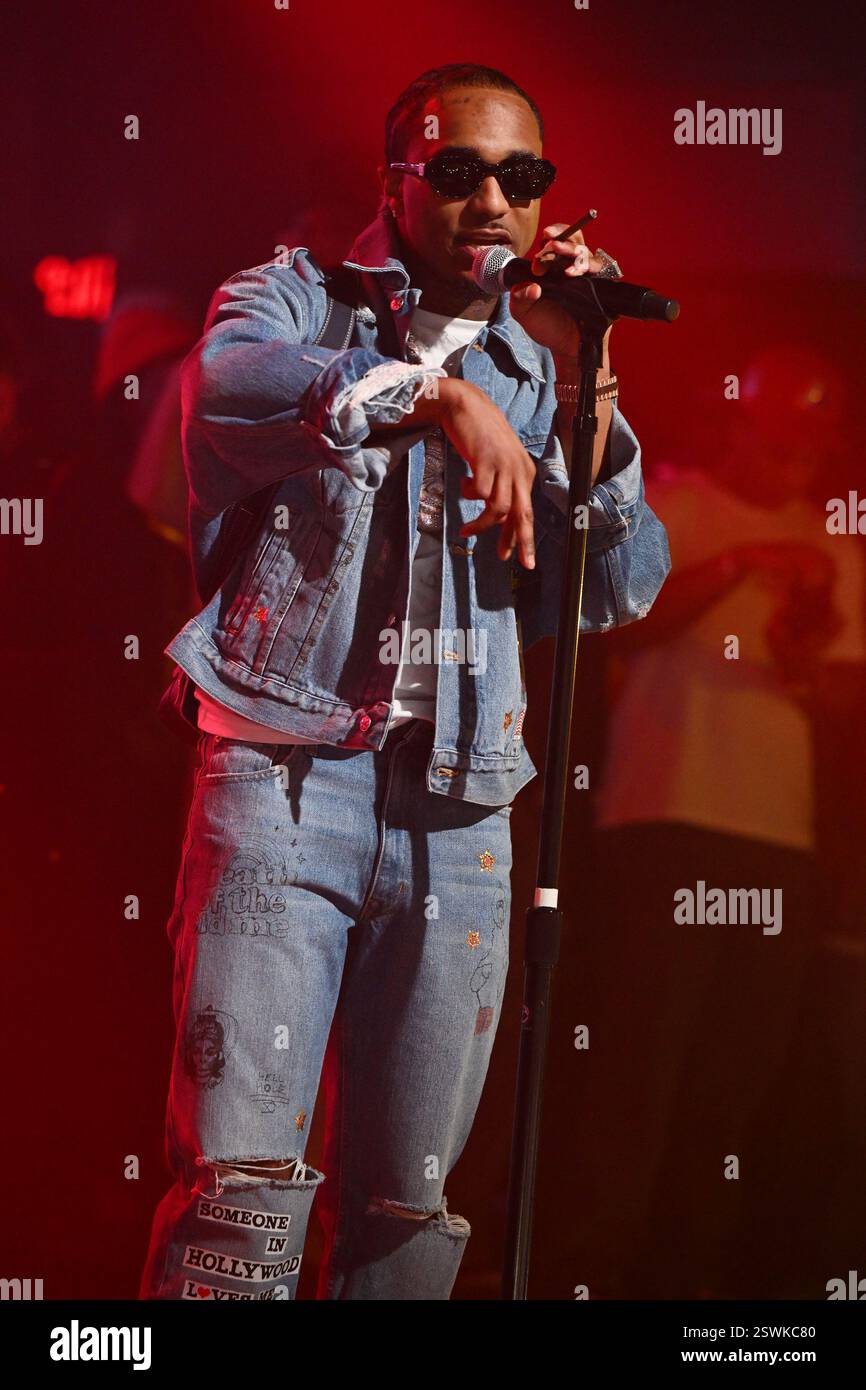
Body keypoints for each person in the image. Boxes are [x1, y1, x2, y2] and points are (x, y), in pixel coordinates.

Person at [137, 63, 670, 1302]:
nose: (493, 201)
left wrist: (587, 377)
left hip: (462, 813)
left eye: (521, 180)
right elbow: (222, 389)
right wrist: (434, 398)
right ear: (395, 181)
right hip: (285, 778)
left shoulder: (539, 367)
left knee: (406, 1209)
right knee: (241, 1196)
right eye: (459, 171)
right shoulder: (293, 297)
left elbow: (611, 588)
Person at [550, 345, 866, 1298]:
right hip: (663, 824)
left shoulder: (839, 548)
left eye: (816, 446)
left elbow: (842, 711)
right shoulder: (673, 502)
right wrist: (739, 565)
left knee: (734, 1088)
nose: (798, 462)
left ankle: (685, 1298)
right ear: (741, 426)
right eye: (783, 440)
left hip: (779, 843)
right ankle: (590, 1277)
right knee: (636, 1075)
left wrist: (803, 643)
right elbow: (616, 622)